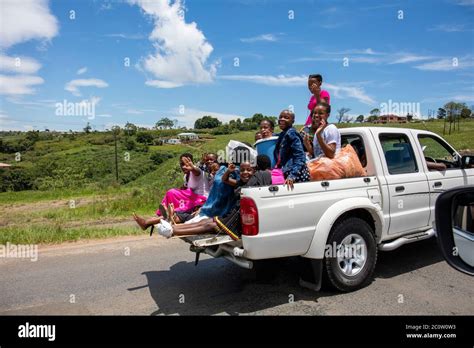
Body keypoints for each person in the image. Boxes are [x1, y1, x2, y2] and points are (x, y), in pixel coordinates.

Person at [152, 159, 272, 239]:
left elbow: (266, 173)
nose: (245, 172)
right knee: (207, 221)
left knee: (210, 225)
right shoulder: (239, 182)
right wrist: (229, 171)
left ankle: (172, 231)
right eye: (242, 170)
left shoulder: (257, 180)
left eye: (249, 170)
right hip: (231, 215)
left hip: (237, 220)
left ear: (255, 171)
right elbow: (225, 180)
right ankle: (173, 227)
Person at [274, 109, 310, 189]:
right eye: (280, 117)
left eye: (286, 117)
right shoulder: (283, 133)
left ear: (292, 121)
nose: (282, 119)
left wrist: (292, 175)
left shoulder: (291, 133)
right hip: (288, 172)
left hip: (296, 175)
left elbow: (300, 156)